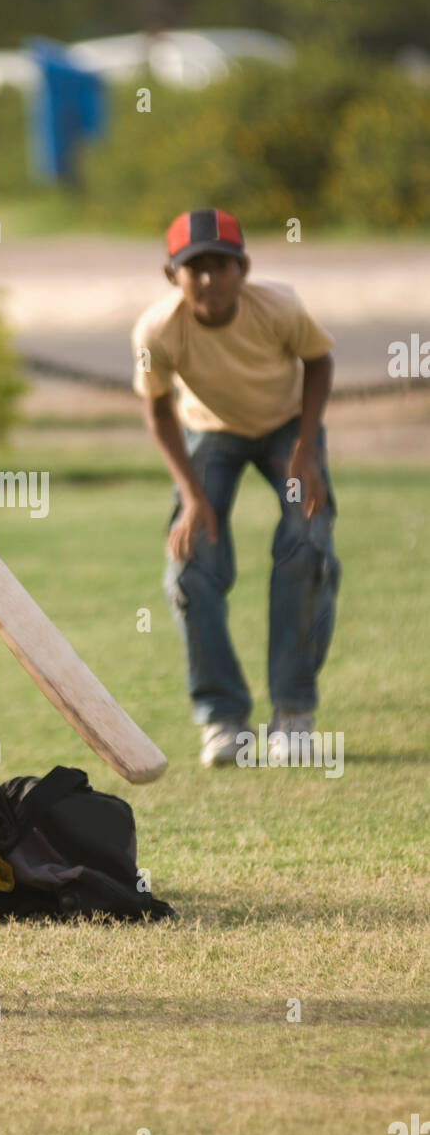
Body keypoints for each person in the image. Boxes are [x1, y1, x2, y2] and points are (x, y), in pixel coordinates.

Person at [132, 209, 340, 767]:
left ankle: (293, 713)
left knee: (307, 545)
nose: (207, 279)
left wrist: (305, 450)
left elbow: (319, 361)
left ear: (243, 269)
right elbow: (157, 409)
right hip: (209, 432)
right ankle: (223, 721)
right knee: (190, 561)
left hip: (288, 429)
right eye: (193, 267)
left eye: (220, 266)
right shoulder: (157, 330)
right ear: (170, 274)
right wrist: (192, 497)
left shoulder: (278, 307)